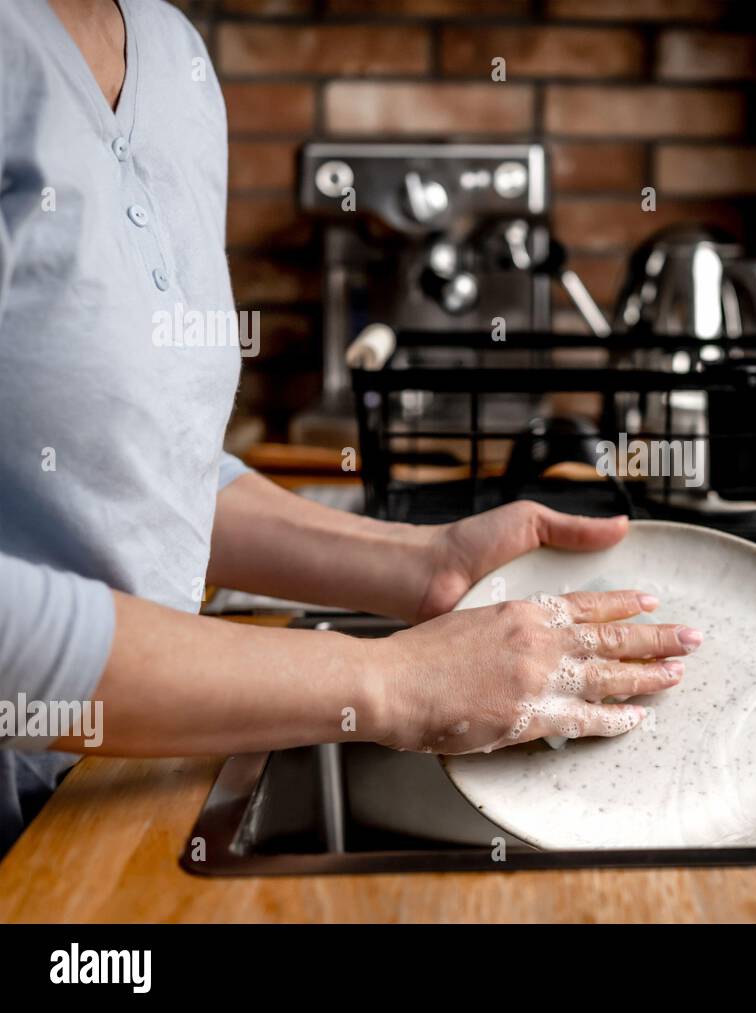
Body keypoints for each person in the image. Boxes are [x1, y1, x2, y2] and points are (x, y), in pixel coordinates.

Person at [0, 0, 700, 855]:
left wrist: (423, 565)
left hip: (107, 789)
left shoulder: (170, 50)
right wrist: (389, 680)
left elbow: (142, 477)